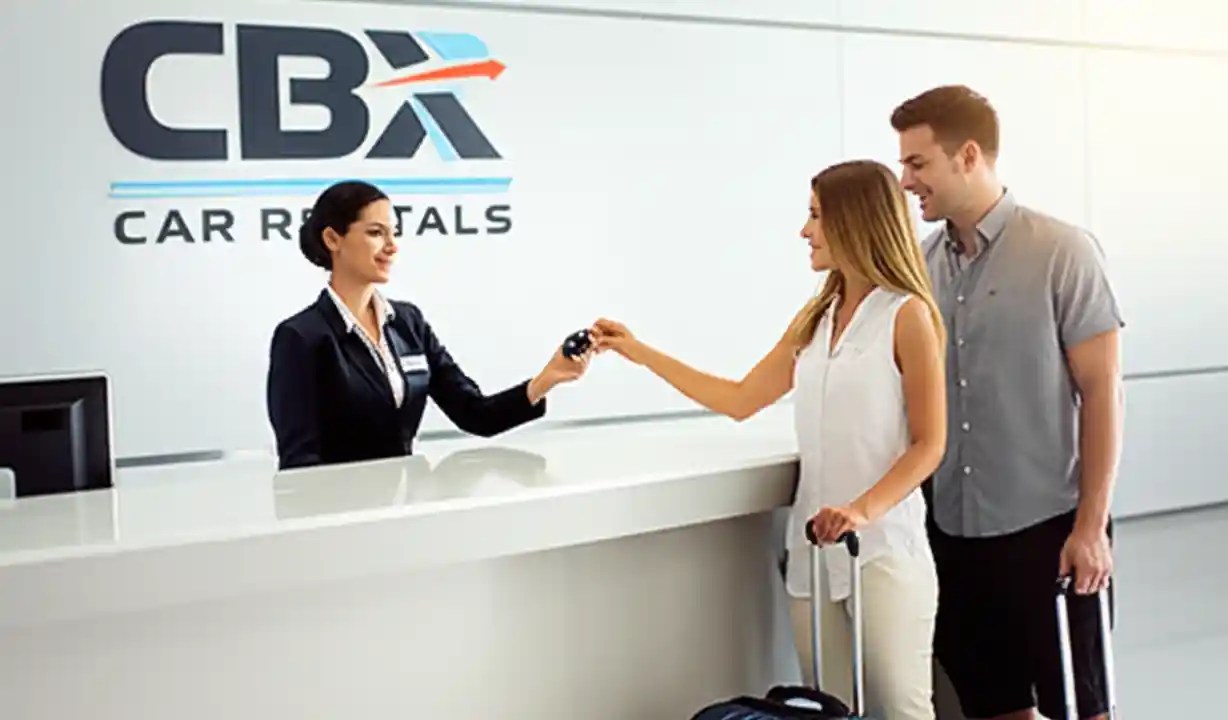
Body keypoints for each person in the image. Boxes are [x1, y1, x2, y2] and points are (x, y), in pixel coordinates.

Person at [592, 160, 947, 720]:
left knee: (903, 709)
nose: (804, 231)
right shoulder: (816, 318)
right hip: (811, 553)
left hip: (881, 550)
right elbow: (738, 399)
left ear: (855, 221)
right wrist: (639, 351)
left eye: (814, 216)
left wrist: (860, 510)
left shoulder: (907, 315)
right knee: (825, 709)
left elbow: (929, 444)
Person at [890, 85, 1125, 720]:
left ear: (968, 156)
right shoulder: (921, 264)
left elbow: (1102, 393)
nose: (907, 180)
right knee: (992, 707)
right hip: (957, 536)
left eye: (918, 164)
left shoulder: (1062, 251)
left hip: (1050, 530)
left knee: (1082, 707)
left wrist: (1091, 528)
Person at [266, 180, 591, 470]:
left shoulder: (408, 323)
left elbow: (474, 413)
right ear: (332, 239)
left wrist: (548, 378)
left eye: (395, 233)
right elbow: (300, 465)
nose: (392, 246)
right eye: (376, 233)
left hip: (406, 511)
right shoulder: (301, 337)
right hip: (342, 522)